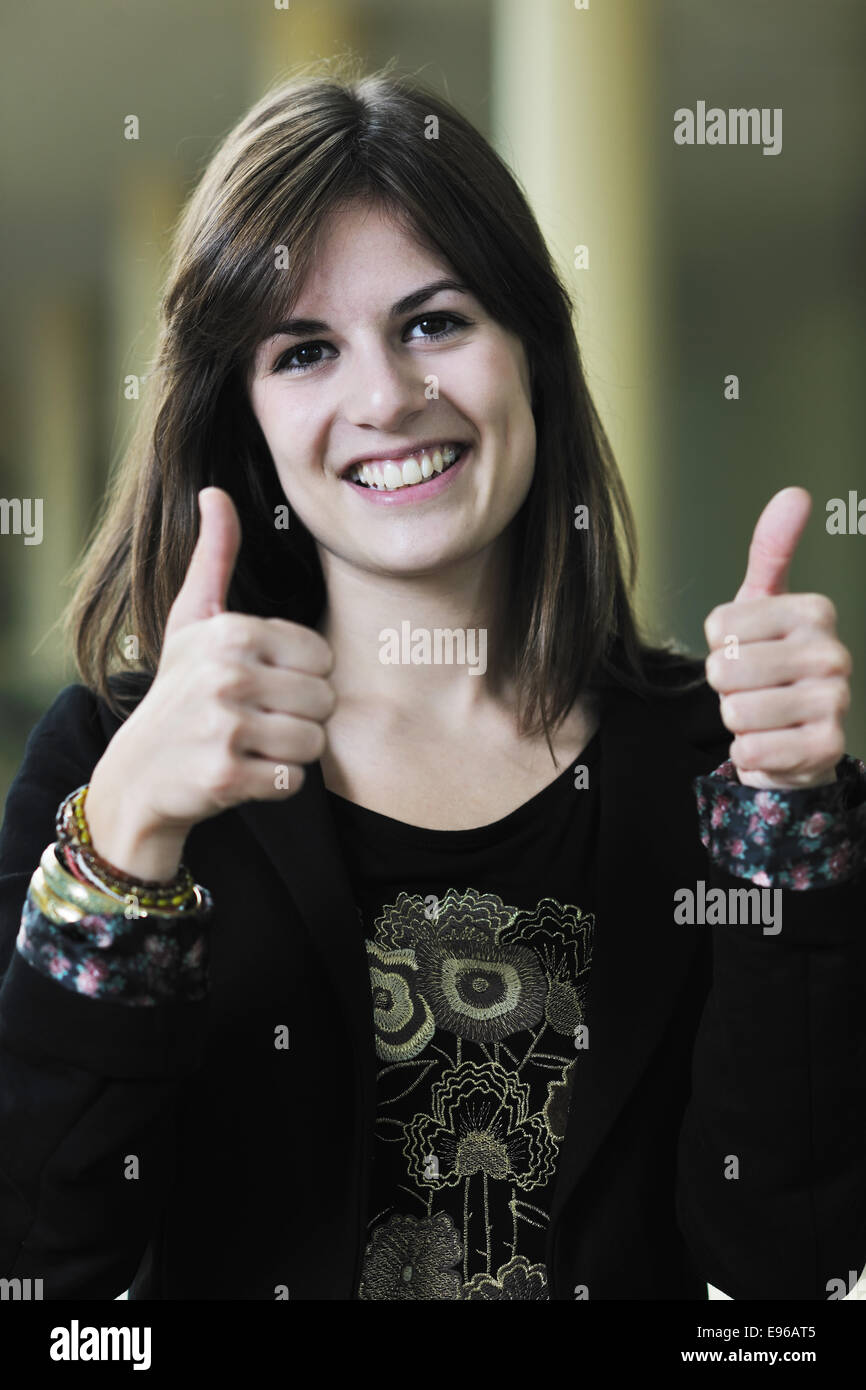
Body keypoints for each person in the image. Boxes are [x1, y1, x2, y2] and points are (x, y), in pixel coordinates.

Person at [1, 61, 864, 1303]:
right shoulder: (112, 764)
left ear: (529, 350)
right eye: (303, 351)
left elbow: (789, 1276)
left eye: (433, 321)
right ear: (244, 417)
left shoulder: (718, 765)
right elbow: (38, 1281)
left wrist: (788, 824)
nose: (387, 398)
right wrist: (125, 852)